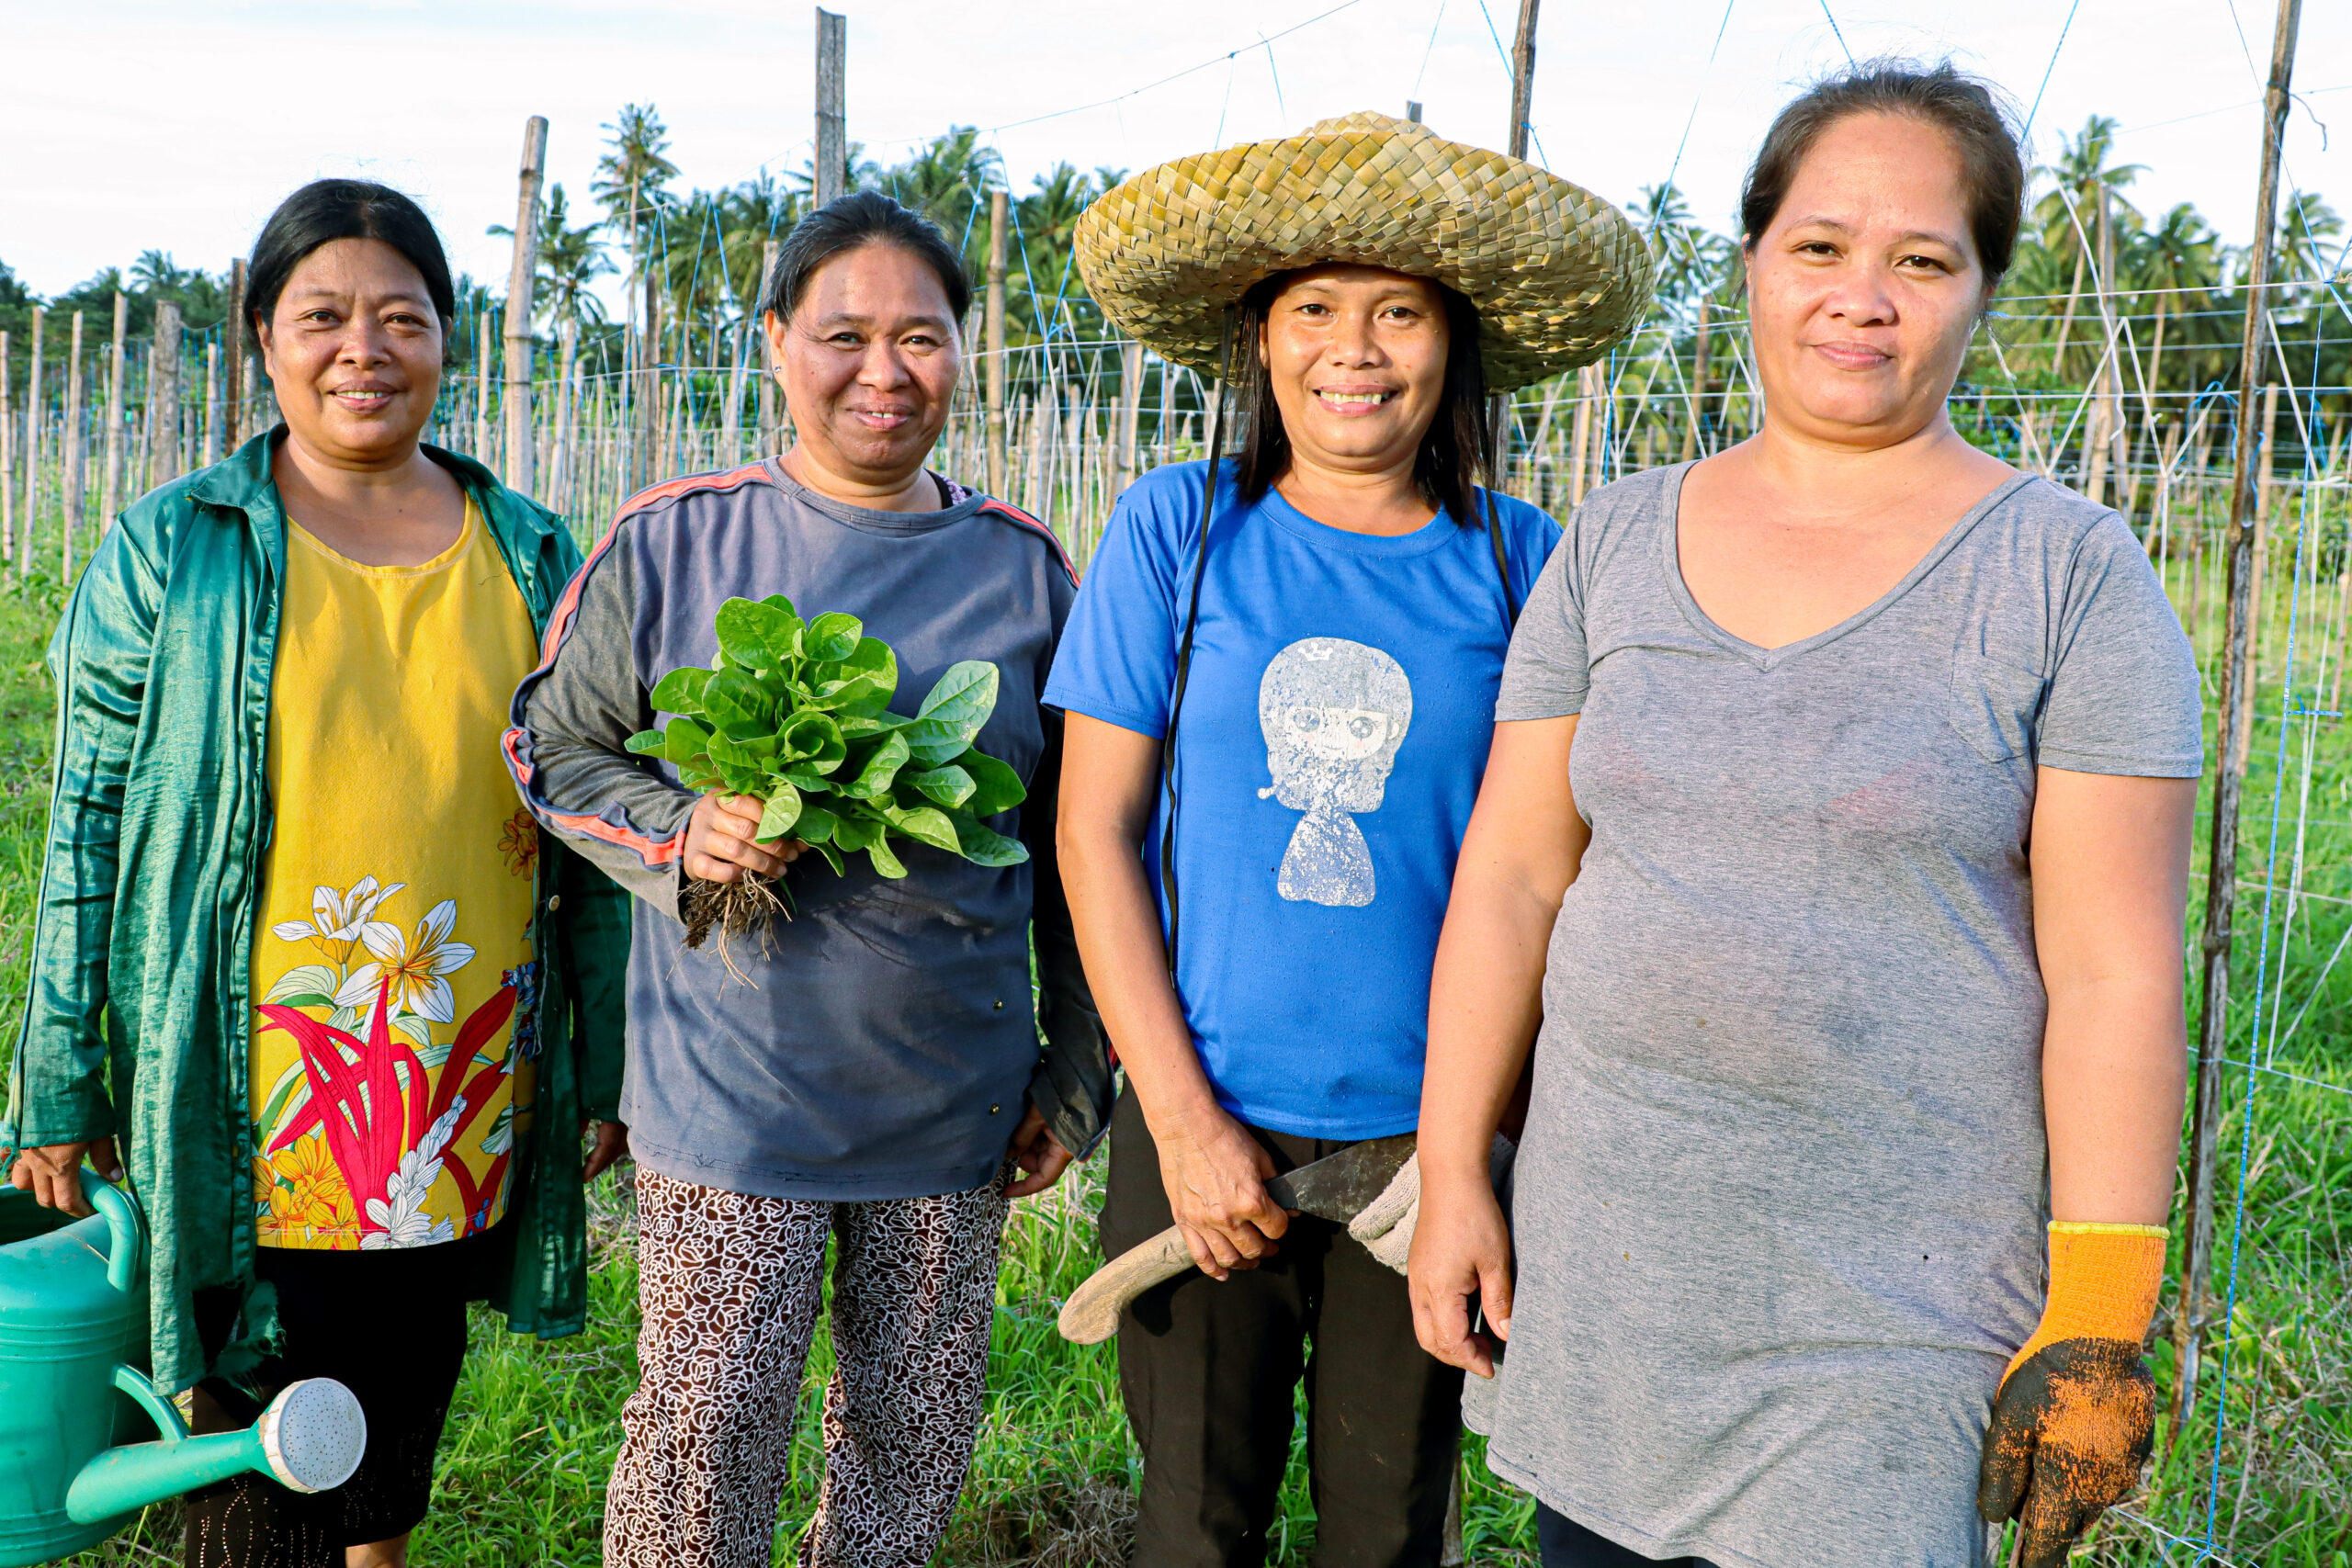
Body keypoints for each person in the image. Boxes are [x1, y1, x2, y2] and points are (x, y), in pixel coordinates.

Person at [1408, 62, 2200, 1568]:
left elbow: (2116, 975)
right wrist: (1456, 1169)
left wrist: (2098, 1320)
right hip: (1614, 1271)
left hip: (1897, 1318)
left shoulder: (2074, 578)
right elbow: (1513, 877)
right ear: (1754, 263)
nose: (1863, 297)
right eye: (1821, 247)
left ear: (1980, 293)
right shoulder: (1617, 543)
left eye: (1922, 259)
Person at [1049, 112, 1652, 1566]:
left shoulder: (1530, 562)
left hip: (1432, 1145)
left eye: (1398, 312)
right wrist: (1185, 1127)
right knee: (1194, 1519)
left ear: (1455, 344)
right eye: (1316, 309)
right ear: (1260, 338)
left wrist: (1478, 1146)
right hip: (1208, 1117)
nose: (1355, 349)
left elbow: (1553, 870)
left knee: (1389, 1525)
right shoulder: (1175, 533)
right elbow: (1094, 836)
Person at [1, 179, 630, 1568]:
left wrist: (609, 1057)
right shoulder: (176, 547)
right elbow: (88, 825)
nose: (365, 348)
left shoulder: (528, 551)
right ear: (263, 341)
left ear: (448, 342)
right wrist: (57, 1085)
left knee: (396, 1411)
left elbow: (591, 828)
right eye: (325, 317)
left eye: (401, 316)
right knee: (249, 1453)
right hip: (244, 1084)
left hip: (447, 1085)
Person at [502, 189, 1110, 1568]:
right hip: (731, 1101)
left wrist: (1075, 1070)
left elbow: (1089, 855)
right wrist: (682, 834)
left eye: (922, 337)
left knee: (910, 1439)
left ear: (965, 353)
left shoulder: (1024, 576)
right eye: (844, 334)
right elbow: (549, 748)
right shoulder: (674, 541)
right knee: (705, 1437)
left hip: (954, 1107)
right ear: (776, 342)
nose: (883, 373)